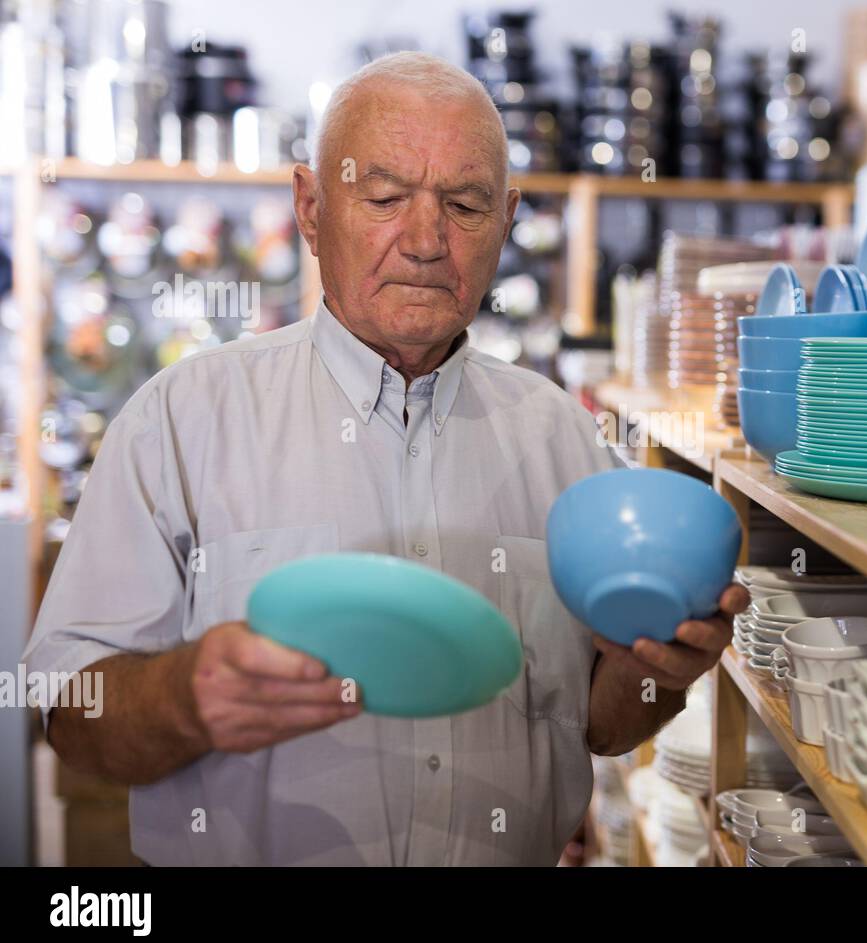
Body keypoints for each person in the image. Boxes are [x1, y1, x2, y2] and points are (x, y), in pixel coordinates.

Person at [23, 52, 748, 866]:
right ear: (309, 205)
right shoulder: (181, 422)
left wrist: (658, 669)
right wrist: (185, 699)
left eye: (466, 205)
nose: (427, 240)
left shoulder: (564, 439)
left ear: (508, 218)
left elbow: (607, 725)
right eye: (386, 197)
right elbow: (68, 709)